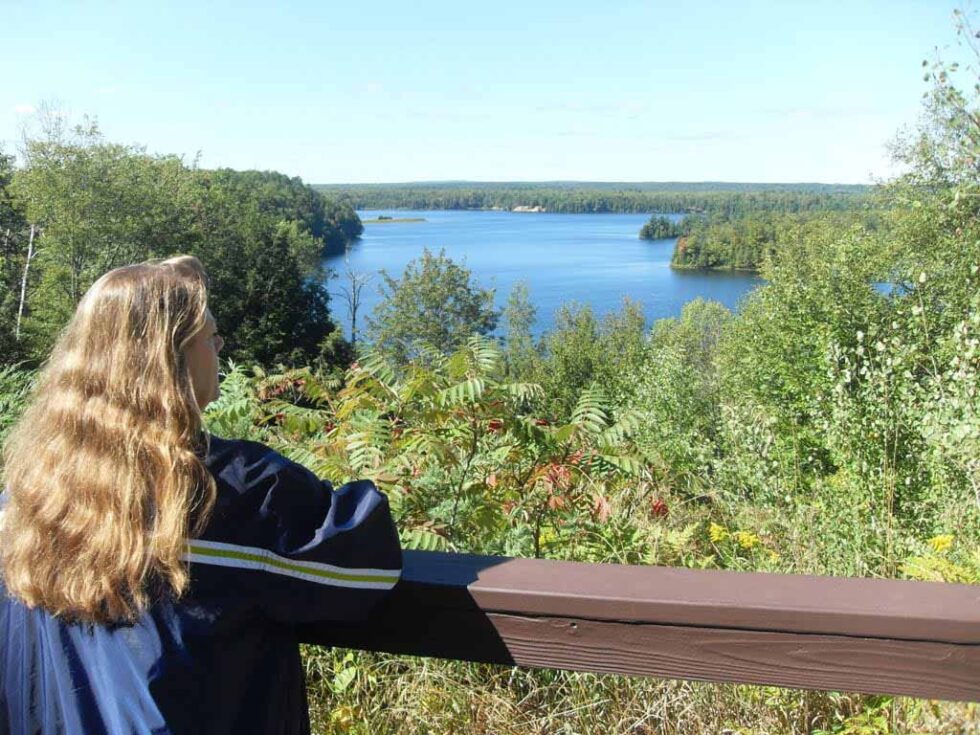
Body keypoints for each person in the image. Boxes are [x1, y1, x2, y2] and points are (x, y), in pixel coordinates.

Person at [0, 256, 402, 734]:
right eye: (211, 336)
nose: (220, 346)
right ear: (170, 362)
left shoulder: (30, 496)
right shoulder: (238, 491)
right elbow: (365, 564)